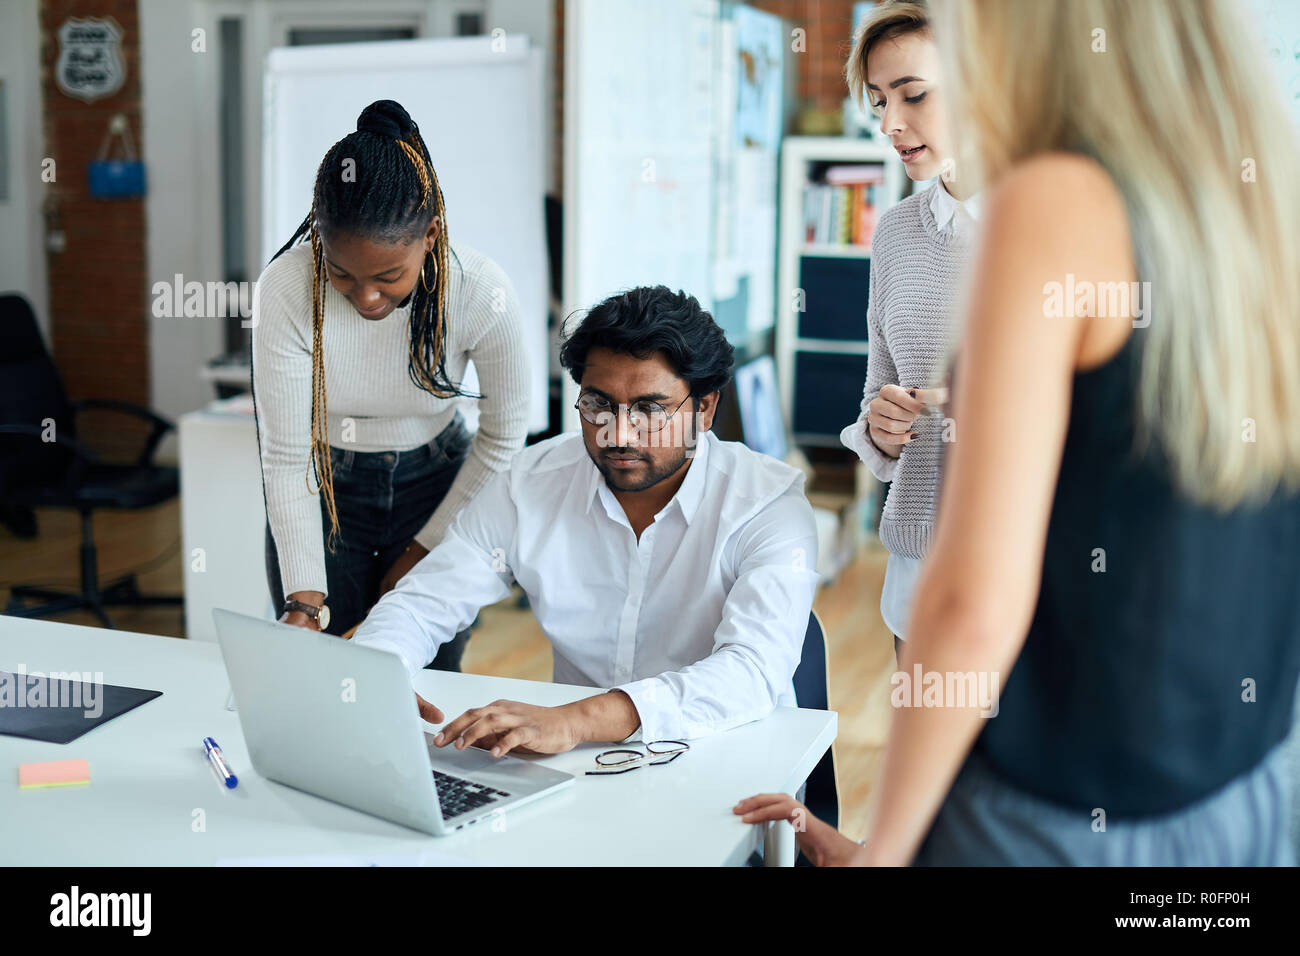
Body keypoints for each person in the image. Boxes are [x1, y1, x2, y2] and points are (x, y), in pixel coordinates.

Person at [737, 0, 1300, 865]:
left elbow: (972, 605)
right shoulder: (1254, 204)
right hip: (1243, 777)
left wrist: (885, 849)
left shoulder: (1051, 201)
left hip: (1068, 788)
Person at [350, 286, 820, 753]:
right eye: (597, 405)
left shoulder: (767, 505)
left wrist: (580, 719)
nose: (617, 434)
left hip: (726, 749)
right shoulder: (530, 483)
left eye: (649, 410)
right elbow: (422, 602)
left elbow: (752, 671)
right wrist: (376, 672)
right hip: (580, 760)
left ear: (705, 407)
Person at [251, 99, 530, 670]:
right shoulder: (287, 288)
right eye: (342, 273)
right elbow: (285, 455)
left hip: (439, 483)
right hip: (326, 487)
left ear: (429, 236)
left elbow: (503, 440)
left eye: (387, 277)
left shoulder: (480, 291)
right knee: (322, 670)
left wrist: (427, 546)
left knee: (430, 669)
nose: (365, 298)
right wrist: (304, 600)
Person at [835, 0, 981, 659]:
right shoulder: (895, 232)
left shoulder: (1043, 225)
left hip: (1029, 565)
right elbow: (877, 393)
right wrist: (881, 428)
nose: (891, 124)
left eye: (913, 94)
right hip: (917, 566)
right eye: (878, 101)